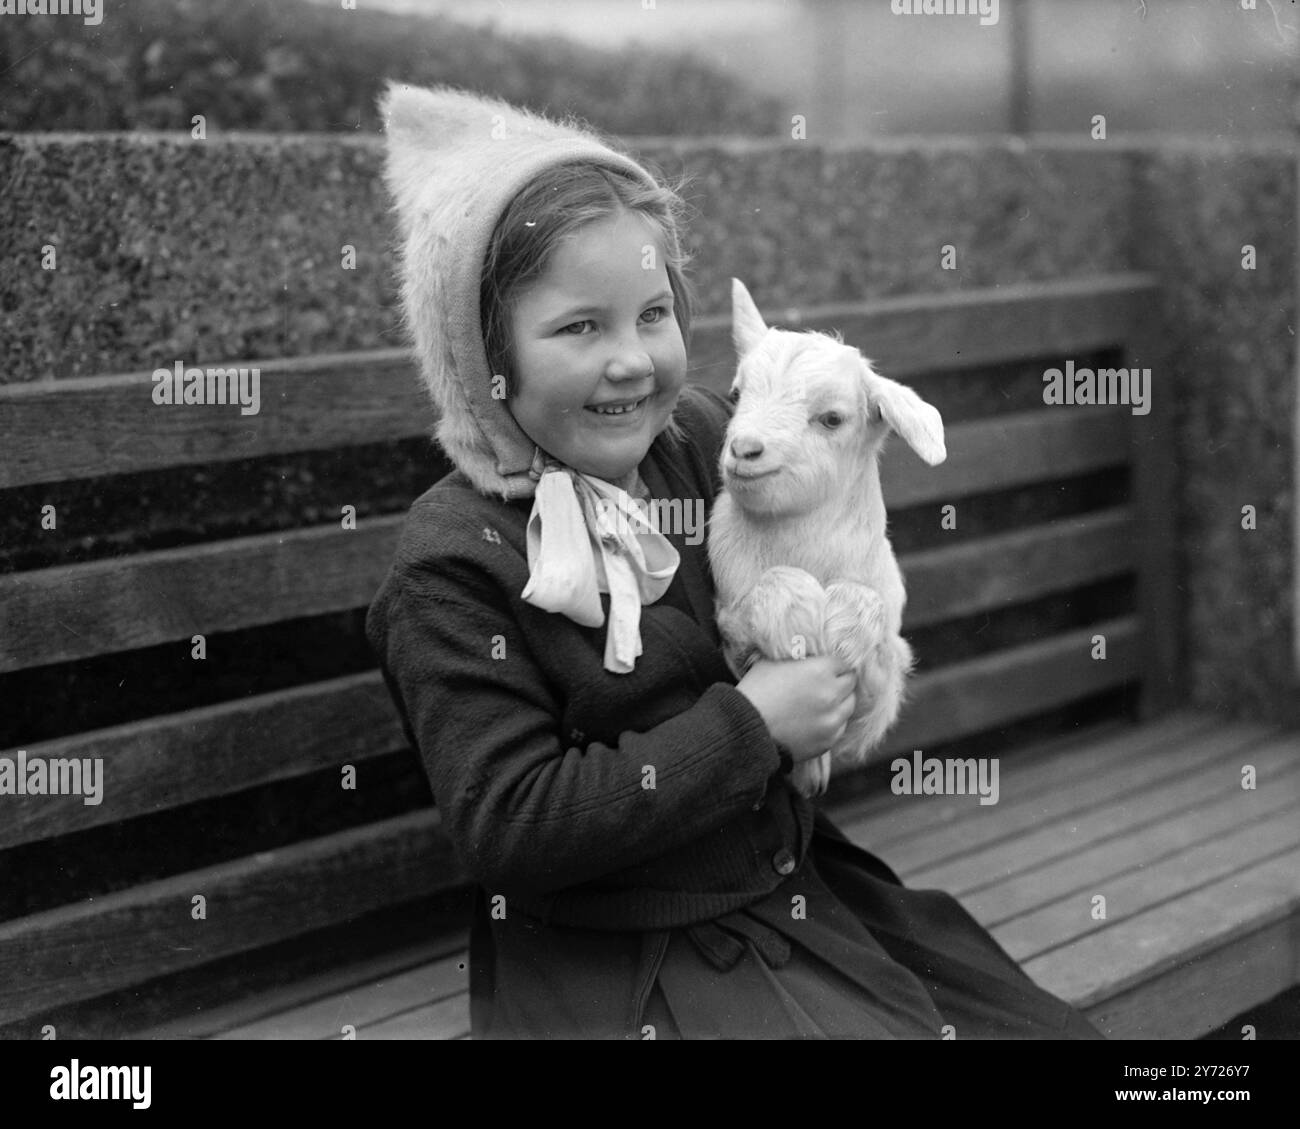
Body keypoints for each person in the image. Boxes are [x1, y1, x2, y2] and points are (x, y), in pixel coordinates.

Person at [365, 81, 1103, 1040]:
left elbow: (822, 490)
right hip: (621, 955)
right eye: (581, 326)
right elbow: (514, 823)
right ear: (481, 357)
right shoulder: (452, 567)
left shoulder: (703, 444)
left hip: (791, 887)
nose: (634, 360)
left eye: (654, 312)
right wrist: (751, 727)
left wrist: (851, 621)